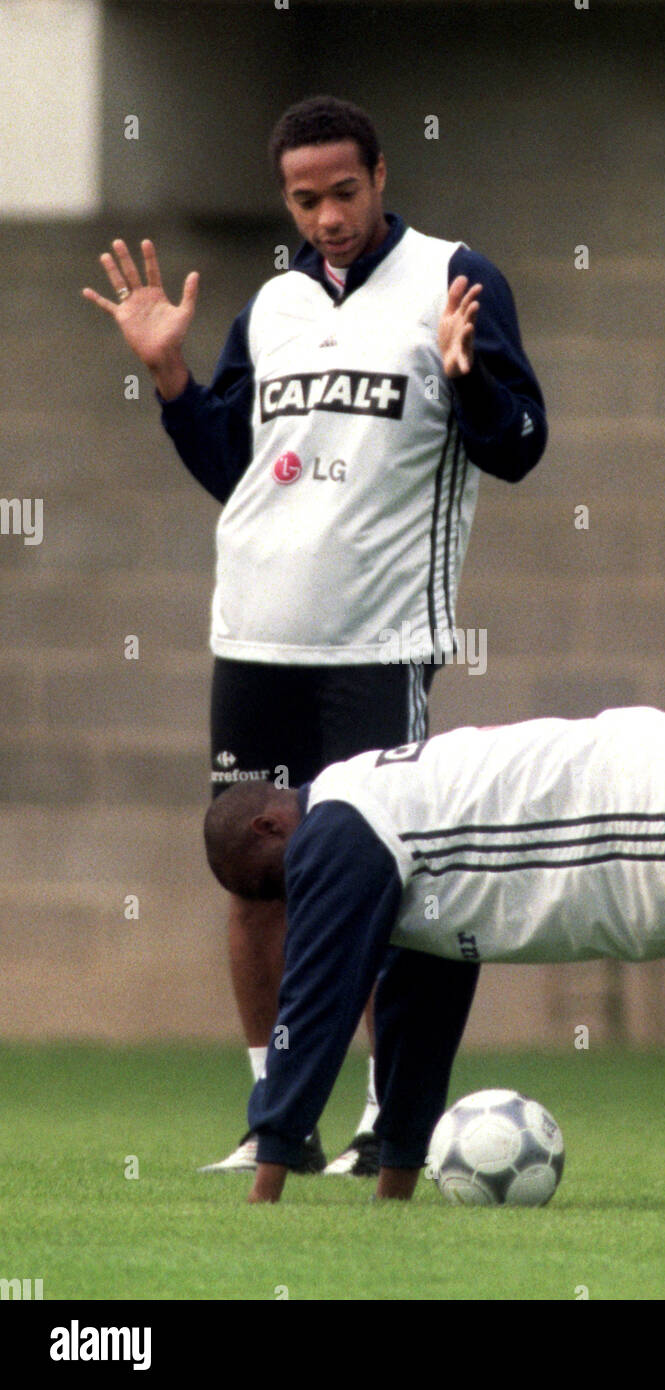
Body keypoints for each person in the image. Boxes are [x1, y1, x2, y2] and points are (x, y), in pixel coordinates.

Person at [83, 95, 547, 1175]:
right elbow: (232, 472)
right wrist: (170, 380)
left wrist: (464, 373)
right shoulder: (275, 304)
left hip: (379, 641)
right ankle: (270, 1119)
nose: (327, 215)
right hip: (254, 637)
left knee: (382, 875)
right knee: (254, 874)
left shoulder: (452, 278)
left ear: (381, 177)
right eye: (305, 198)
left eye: (344, 191)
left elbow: (518, 447)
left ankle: (385, 1125)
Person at [202, 706, 665, 1204]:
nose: (294, 899)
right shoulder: (392, 835)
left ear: (271, 825)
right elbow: (416, 1010)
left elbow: (316, 1000)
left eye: (276, 882)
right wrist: (395, 1184)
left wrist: (270, 1179)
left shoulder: (336, 829)